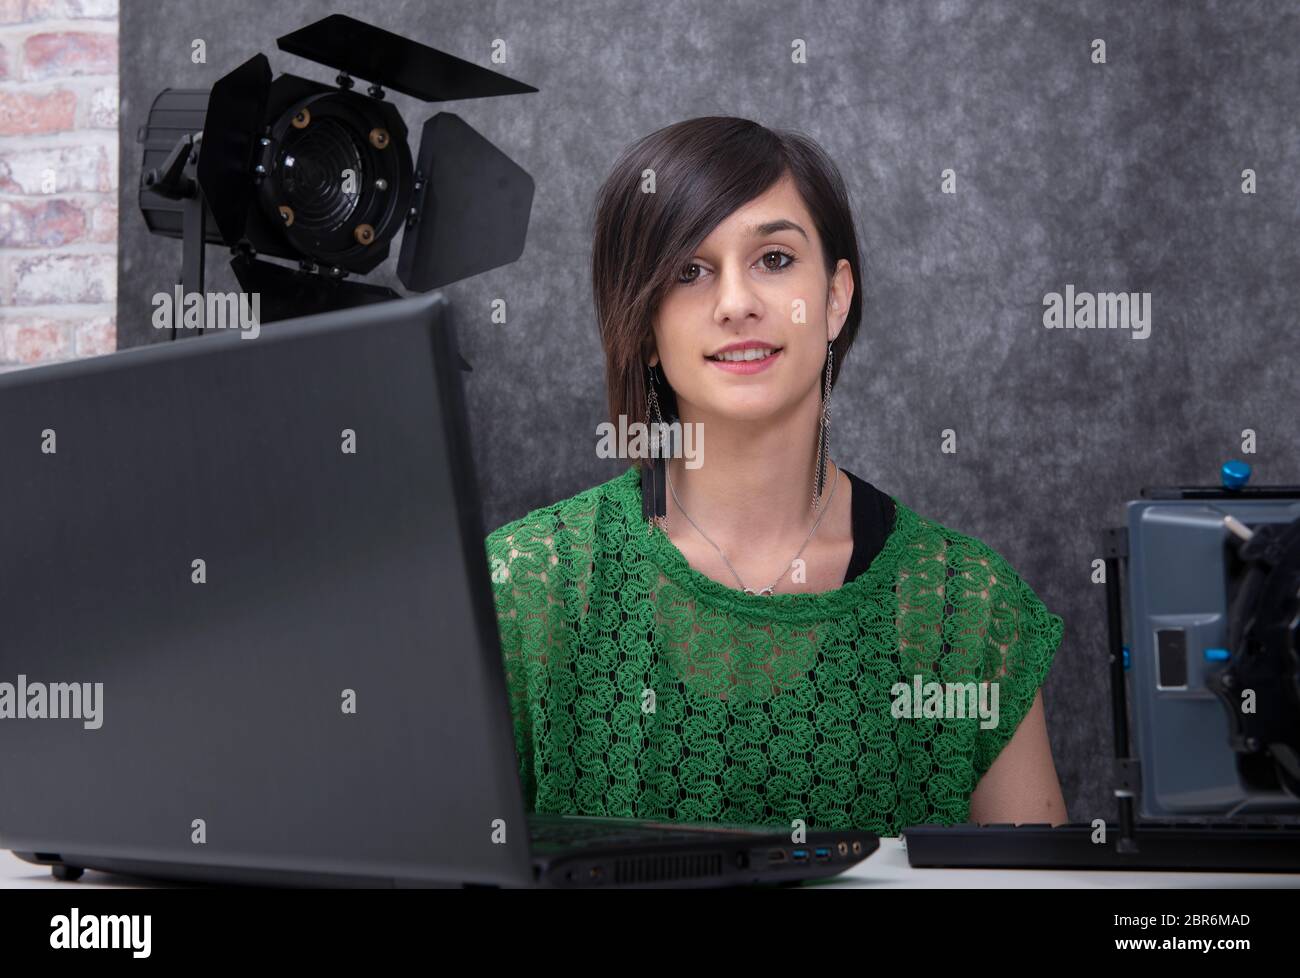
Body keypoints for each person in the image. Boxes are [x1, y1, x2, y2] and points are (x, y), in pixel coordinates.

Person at [484, 116, 1067, 836]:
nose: (737, 303)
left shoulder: (967, 611)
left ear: (834, 297)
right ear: (641, 329)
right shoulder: (520, 592)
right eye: (688, 271)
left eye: (775, 259)